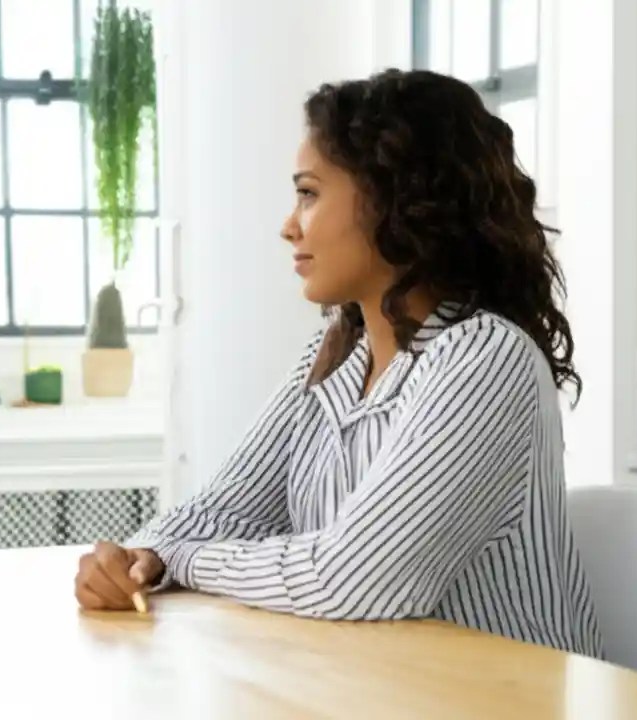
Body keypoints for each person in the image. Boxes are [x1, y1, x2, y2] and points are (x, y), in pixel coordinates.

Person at [74, 69, 604, 658]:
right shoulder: (334, 359)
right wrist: (143, 558)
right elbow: (221, 509)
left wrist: (183, 560)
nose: (288, 225)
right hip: (380, 689)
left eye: (309, 193)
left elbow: (354, 578)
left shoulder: (484, 358)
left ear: (395, 199)